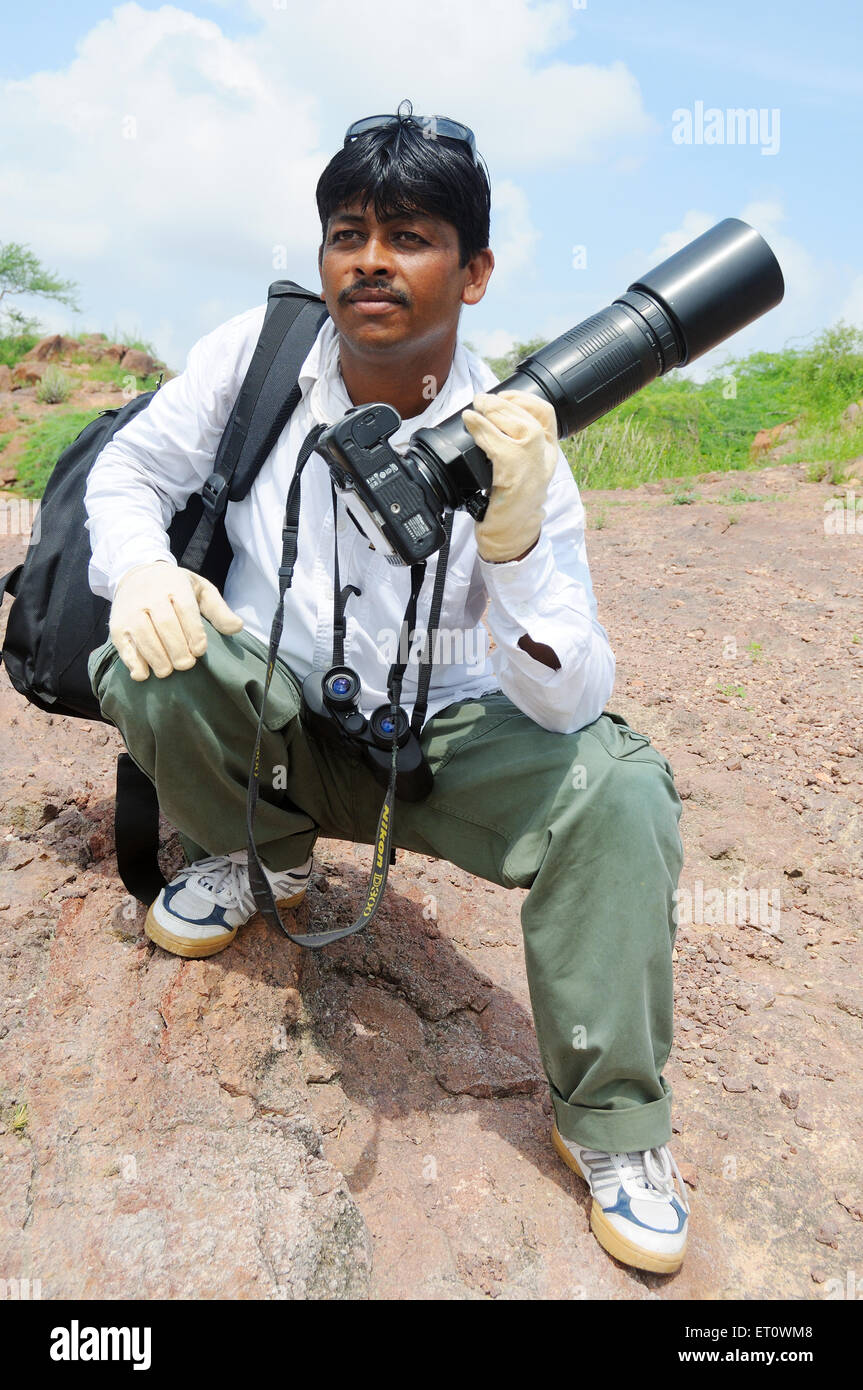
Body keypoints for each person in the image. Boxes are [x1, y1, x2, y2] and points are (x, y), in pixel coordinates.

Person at [83, 103, 689, 1275]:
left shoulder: (519, 435)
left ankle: (611, 1126)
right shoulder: (255, 356)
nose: (369, 259)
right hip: (278, 717)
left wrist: (510, 542)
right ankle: (254, 849)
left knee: (618, 789)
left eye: (409, 235)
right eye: (346, 231)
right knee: (149, 663)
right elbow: (131, 469)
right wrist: (144, 570)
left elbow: (571, 697)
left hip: (447, 747)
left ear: (473, 273)